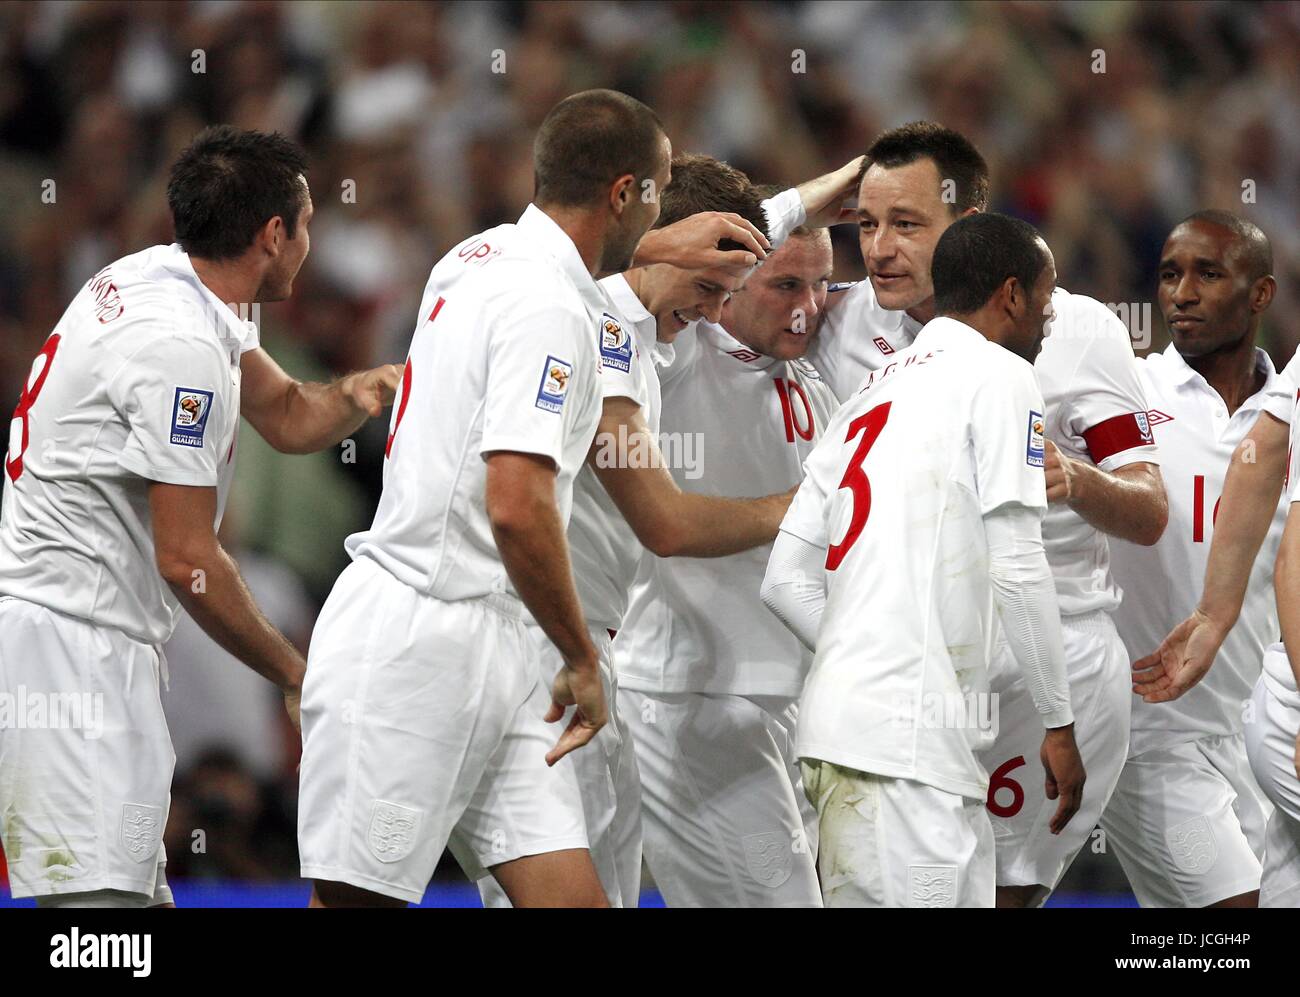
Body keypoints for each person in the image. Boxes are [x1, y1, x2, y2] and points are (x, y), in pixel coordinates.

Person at [295, 89, 768, 909]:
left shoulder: (474, 256)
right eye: (653, 192)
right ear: (624, 193)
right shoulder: (552, 310)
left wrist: (661, 238)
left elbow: (573, 247)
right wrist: (582, 655)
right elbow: (516, 504)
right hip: (418, 636)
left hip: (507, 647)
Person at [0, 125, 403, 908]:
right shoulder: (177, 347)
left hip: (85, 641)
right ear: (274, 234)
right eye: (309, 224)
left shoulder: (159, 279)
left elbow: (287, 413)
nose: (312, 242)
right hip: (70, 654)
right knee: (97, 929)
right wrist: (294, 672)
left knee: (131, 913)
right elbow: (187, 557)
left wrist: (360, 392)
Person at [804, 122, 1167, 905]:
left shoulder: (1071, 330)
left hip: (1056, 649)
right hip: (918, 670)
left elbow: (1147, 510)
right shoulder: (838, 322)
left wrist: (1076, 479)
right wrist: (803, 204)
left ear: (969, 225)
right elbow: (689, 281)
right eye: (864, 224)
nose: (878, 250)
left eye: (906, 224)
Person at [477, 152, 791, 909]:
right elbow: (667, 524)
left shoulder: (644, 329)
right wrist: (807, 506)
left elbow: (711, 238)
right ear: (666, 237)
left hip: (589, 658)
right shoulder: (598, 321)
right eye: (711, 288)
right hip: (543, 658)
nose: (718, 314)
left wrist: (821, 192)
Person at [762, 212, 1084, 907]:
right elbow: (1020, 561)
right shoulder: (998, 375)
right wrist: (1059, 722)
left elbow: (785, 578)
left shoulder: (867, 393)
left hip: (882, 739)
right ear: (1010, 295)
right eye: (1047, 298)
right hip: (903, 756)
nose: (1050, 318)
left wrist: (867, 656)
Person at [615, 159, 845, 907]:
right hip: (693, 699)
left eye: (821, 286)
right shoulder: (678, 353)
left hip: (785, 704)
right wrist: (805, 507)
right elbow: (658, 255)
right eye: (785, 285)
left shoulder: (812, 380)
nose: (810, 307)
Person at [1102, 210, 1282, 908]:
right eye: (1171, 274)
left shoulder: (1285, 418)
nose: (1181, 292)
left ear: (1261, 293)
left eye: (1208, 273)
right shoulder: (1126, 391)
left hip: (1258, 736)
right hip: (1150, 734)